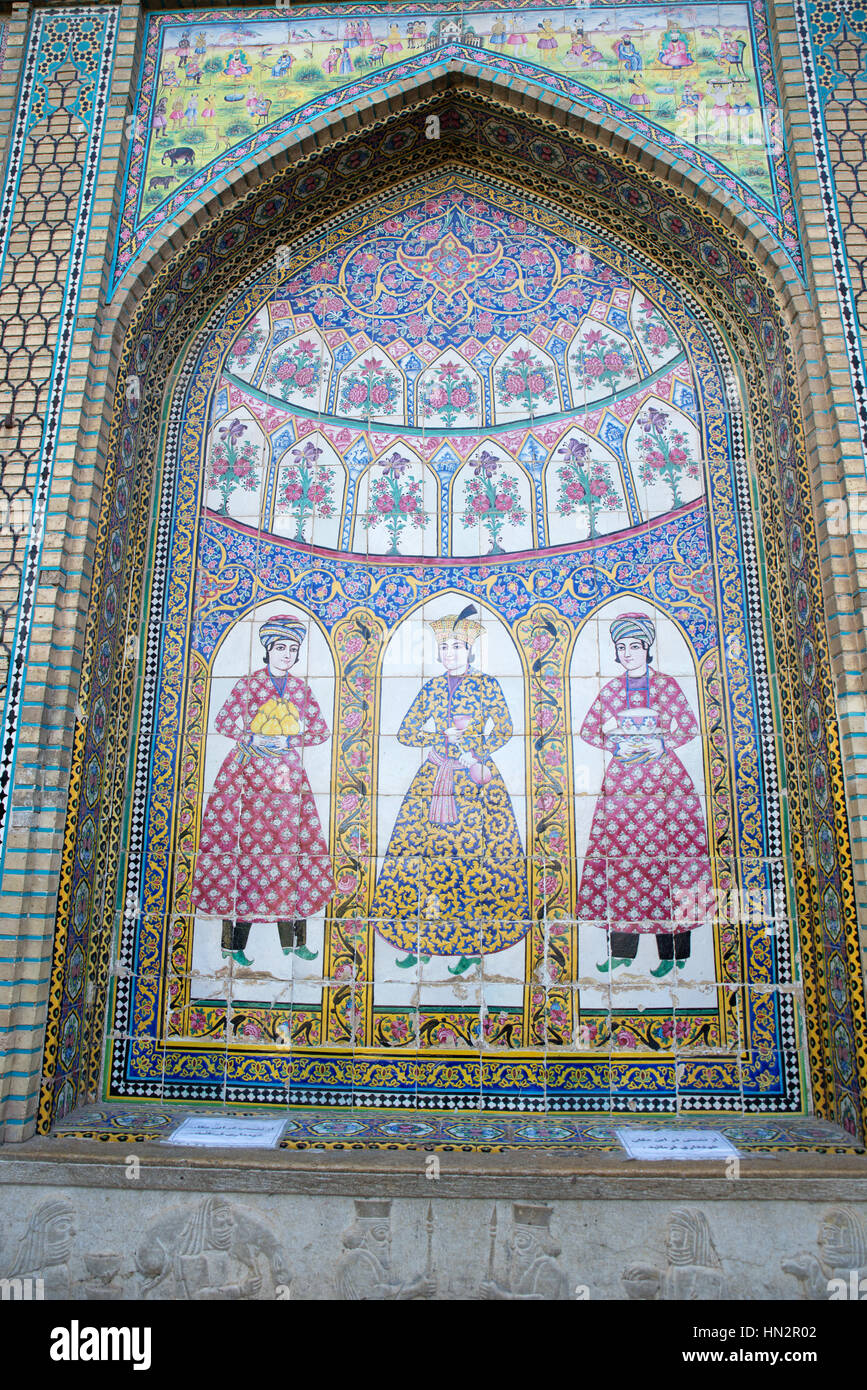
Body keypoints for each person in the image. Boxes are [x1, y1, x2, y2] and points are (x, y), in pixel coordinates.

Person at [370, 605, 529, 976]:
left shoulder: (487, 684)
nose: (450, 653)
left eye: (457, 646)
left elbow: (505, 728)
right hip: (435, 779)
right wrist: (438, 736)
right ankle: (419, 942)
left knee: (473, 863)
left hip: (474, 783)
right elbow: (406, 732)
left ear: (469, 651)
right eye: (444, 647)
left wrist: (478, 752)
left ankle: (470, 948)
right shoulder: (433, 686)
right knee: (421, 861)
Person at [575, 612, 713, 976]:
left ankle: (674, 955)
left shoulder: (667, 685)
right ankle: (622, 952)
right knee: (622, 866)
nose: (628, 653)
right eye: (621, 648)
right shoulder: (612, 690)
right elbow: (589, 730)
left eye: (634, 646)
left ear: (647, 648)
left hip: (666, 783)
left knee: (675, 865)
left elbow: (688, 727)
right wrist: (617, 745)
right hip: (623, 788)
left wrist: (660, 745)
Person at [193, 614, 335, 966]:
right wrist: (252, 738)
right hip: (247, 775)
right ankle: (233, 945)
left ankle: (294, 942)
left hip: (287, 780)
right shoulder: (248, 685)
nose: (286, 655)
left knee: (293, 856)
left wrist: (290, 739)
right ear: (267, 650)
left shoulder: (300, 689)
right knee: (240, 858)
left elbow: (320, 730)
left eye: (292, 649)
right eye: (280, 648)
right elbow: (224, 721)